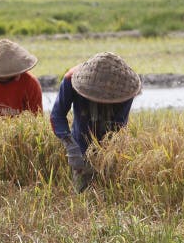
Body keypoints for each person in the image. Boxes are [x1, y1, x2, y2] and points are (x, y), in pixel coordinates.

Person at [50, 52, 141, 193]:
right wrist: (72, 148)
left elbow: (119, 125)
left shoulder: (126, 88)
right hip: (81, 141)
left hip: (112, 146)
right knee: (82, 193)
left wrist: (109, 155)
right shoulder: (71, 80)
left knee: (112, 192)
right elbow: (57, 116)